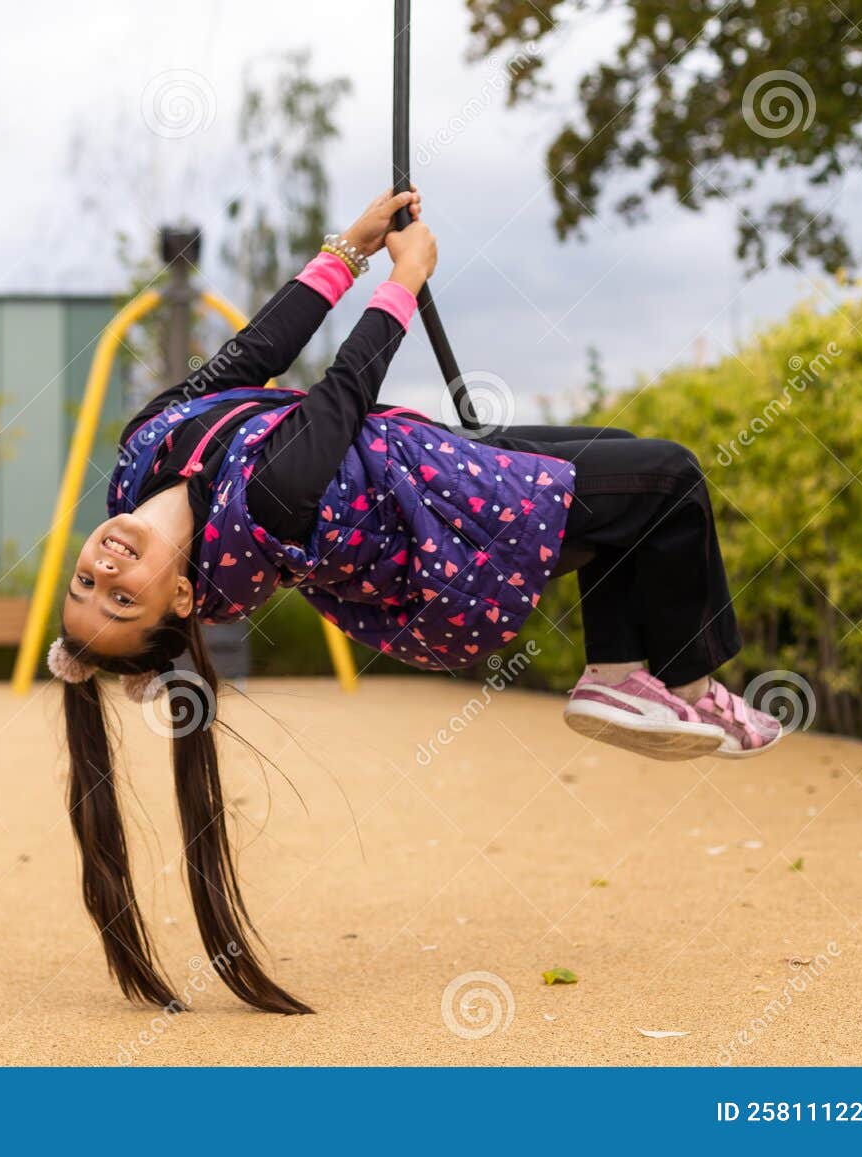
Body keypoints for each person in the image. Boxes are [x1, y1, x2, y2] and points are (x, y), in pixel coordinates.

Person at [50, 188, 784, 1015]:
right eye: (121, 600)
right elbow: (341, 390)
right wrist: (407, 276)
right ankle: (686, 686)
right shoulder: (263, 507)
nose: (104, 568)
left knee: (620, 465)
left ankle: (617, 671)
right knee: (672, 479)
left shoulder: (145, 449)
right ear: (181, 596)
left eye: (89, 584)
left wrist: (349, 248)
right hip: (458, 536)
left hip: (436, 467)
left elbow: (250, 356)